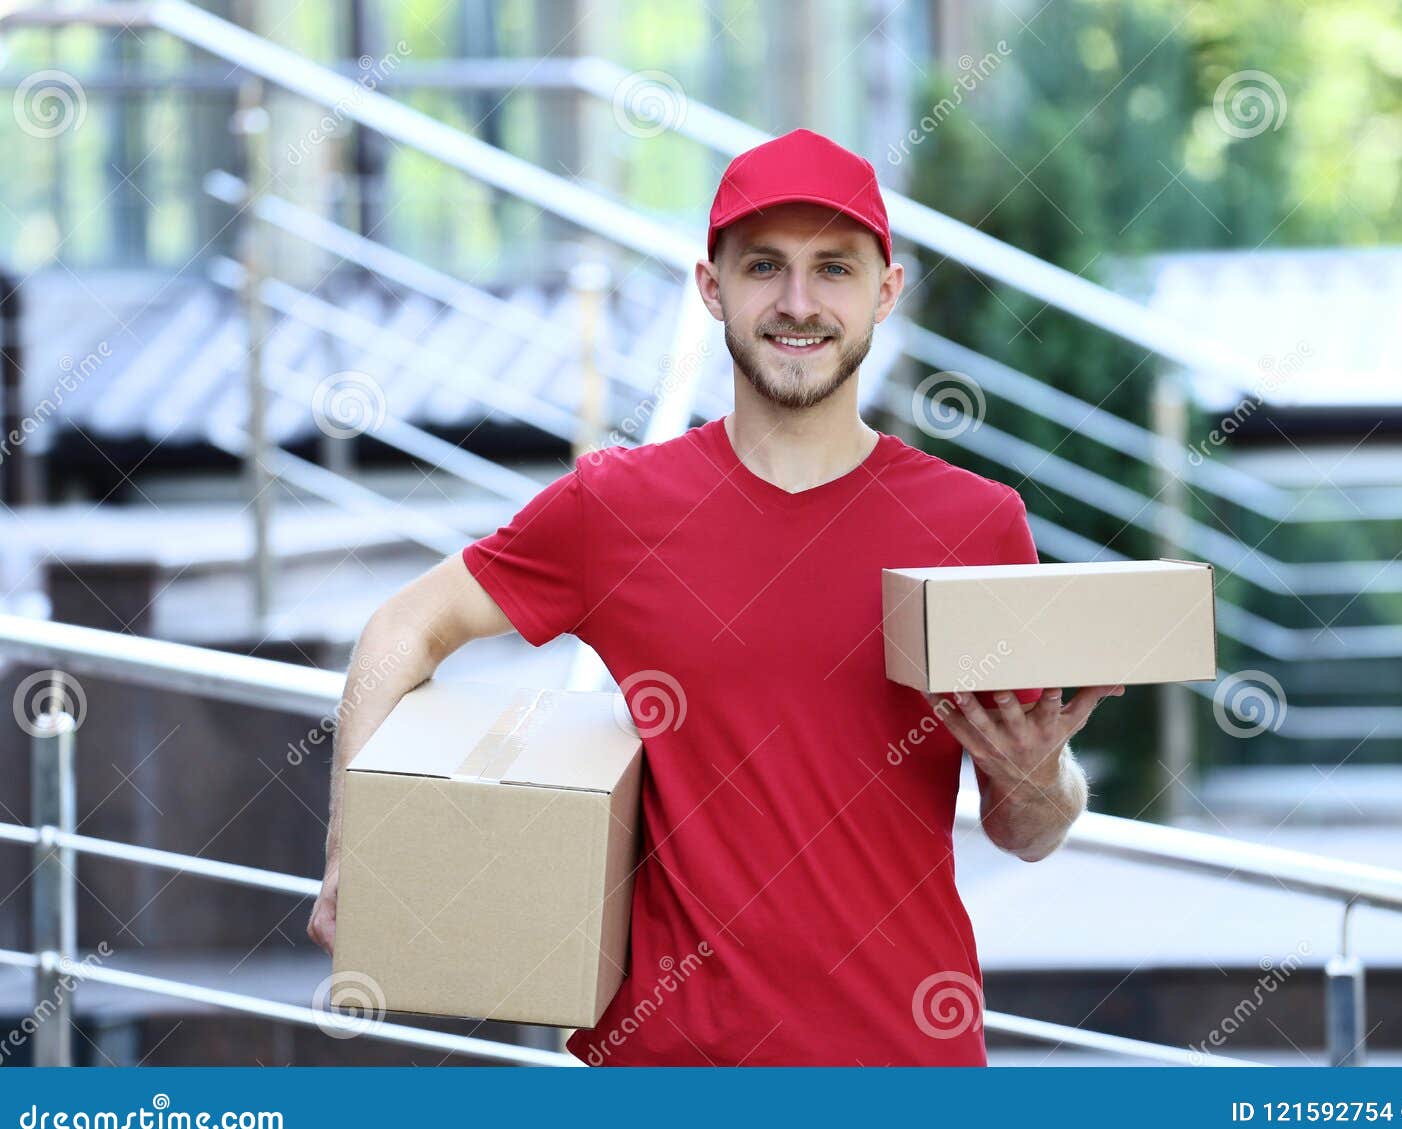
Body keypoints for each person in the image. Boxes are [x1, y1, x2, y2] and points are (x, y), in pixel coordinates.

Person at [308, 127, 1122, 1066]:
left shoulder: (977, 526)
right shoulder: (615, 506)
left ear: (886, 293)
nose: (798, 302)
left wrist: (1036, 779)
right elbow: (406, 624)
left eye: (836, 269)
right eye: (764, 266)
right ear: (711, 288)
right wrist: (358, 846)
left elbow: (1028, 832)